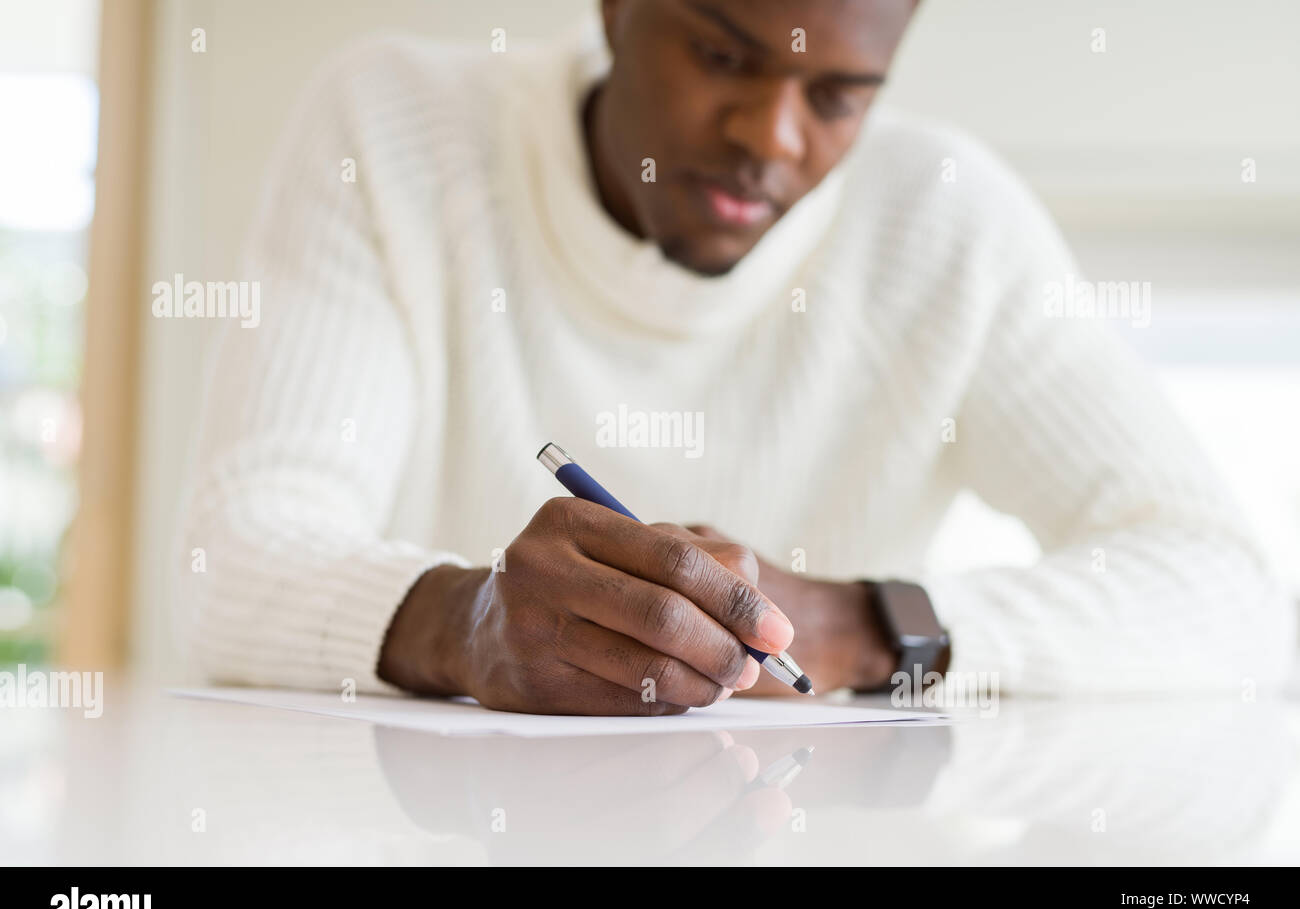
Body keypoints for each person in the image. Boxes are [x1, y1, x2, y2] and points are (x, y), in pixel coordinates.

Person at [178, 0, 1294, 714]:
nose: (772, 135)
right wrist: (468, 626)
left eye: (837, 95)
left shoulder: (948, 225)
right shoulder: (391, 127)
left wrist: (862, 628)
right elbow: (228, 559)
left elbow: (1232, 595)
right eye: (721, 52)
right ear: (615, 11)